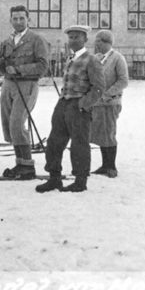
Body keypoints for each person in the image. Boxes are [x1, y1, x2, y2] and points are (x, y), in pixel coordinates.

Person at [35, 25, 104, 193]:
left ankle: (80, 181)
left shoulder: (92, 60)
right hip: (64, 104)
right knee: (54, 142)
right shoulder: (70, 58)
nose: (73, 40)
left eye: (77, 37)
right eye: (70, 37)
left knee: (79, 144)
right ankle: (54, 178)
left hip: (78, 107)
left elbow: (99, 87)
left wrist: (84, 104)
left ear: (85, 39)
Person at [0, 5, 50, 179]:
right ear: (10, 20)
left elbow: (43, 66)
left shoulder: (36, 40)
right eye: (15, 18)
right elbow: (4, 68)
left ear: (28, 20)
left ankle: (27, 166)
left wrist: (18, 69)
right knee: (9, 125)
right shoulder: (7, 41)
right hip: (8, 85)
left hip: (27, 85)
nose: (18, 21)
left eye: (21, 18)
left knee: (17, 123)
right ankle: (20, 163)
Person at [90, 30, 128, 178]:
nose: (96, 43)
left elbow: (123, 80)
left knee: (109, 133)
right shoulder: (96, 58)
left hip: (110, 103)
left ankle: (111, 166)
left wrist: (107, 94)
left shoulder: (118, 58)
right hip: (97, 104)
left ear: (106, 42)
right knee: (101, 134)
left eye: (98, 40)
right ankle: (105, 165)